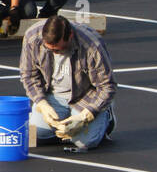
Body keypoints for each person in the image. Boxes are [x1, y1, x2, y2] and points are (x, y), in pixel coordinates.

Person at [20, 14, 117, 151]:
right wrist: (42, 103)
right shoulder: (32, 37)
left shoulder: (91, 45)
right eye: (50, 49)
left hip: (85, 97)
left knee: (86, 143)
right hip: (52, 96)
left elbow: (107, 86)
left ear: (70, 35)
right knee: (34, 134)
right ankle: (63, 130)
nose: (54, 52)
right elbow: (29, 75)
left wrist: (87, 115)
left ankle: (106, 116)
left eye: (58, 49)